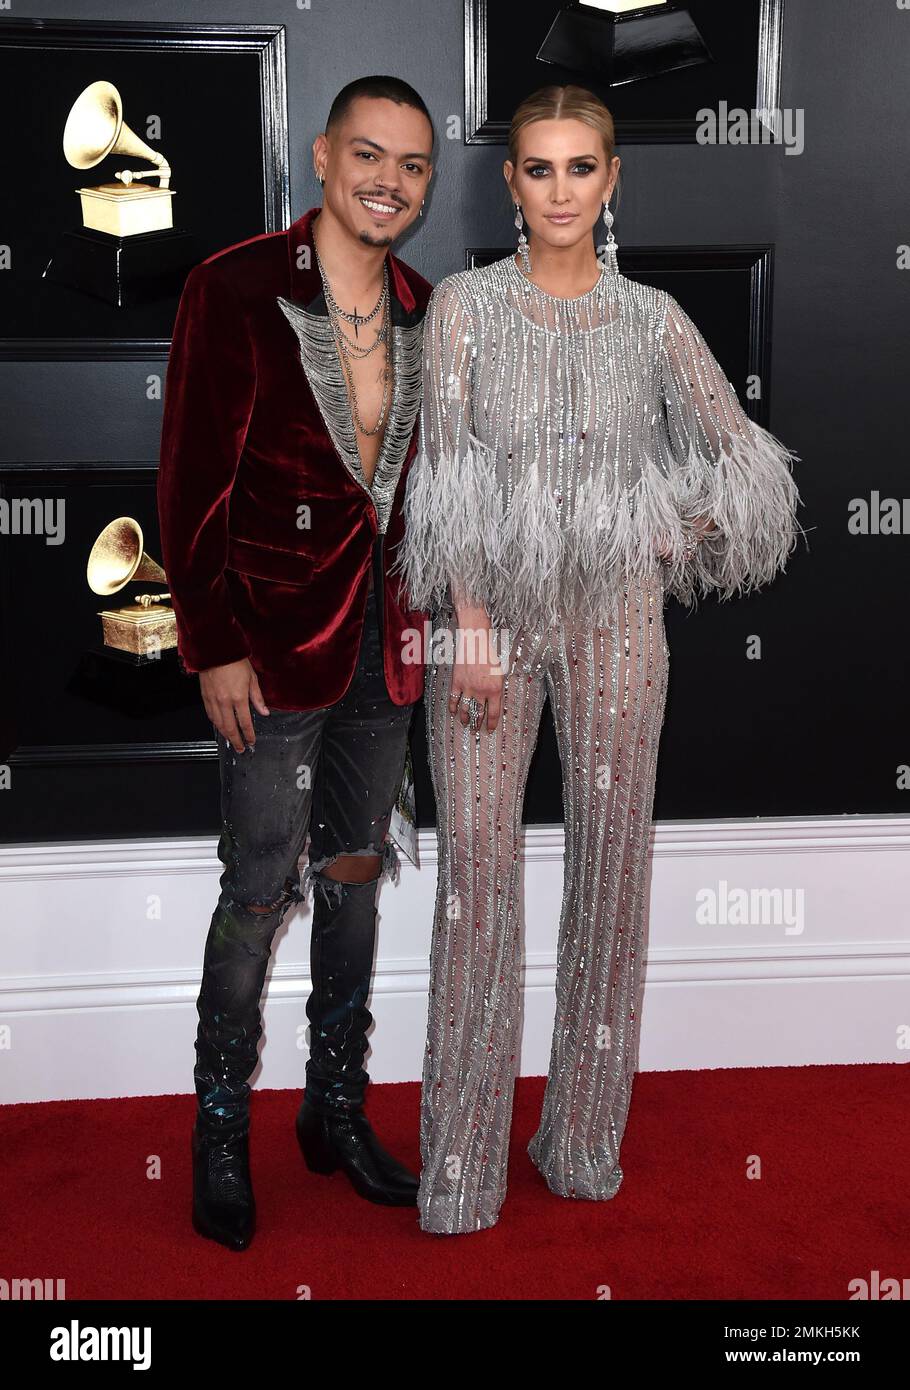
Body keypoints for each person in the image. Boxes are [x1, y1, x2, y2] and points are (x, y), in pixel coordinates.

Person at [392, 84, 804, 1235]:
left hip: (621, 625)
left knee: (611, 880)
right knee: (477, 882)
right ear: (510, 182)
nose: (560, 191)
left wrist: (663, 519)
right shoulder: (464, 309)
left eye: (581, 169)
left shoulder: (655, 320)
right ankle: (462, 1169)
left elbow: (746, 469)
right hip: (488, 628)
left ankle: (578, 1142)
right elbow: (448, 485)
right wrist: (467, 626)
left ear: (610, 181)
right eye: (538, 169)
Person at [157, 76, 435, 1250]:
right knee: (258, 888)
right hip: (267, 652)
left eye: (412, 165)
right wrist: (212, 643)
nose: (389, 180)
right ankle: (220, 1125)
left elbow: (428, 492)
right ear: (322, 156)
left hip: (386, 643)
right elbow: (187, 481)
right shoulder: (235, 286)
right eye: (368, 154)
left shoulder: (427, 304)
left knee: (357, 874)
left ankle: (334, 1106)